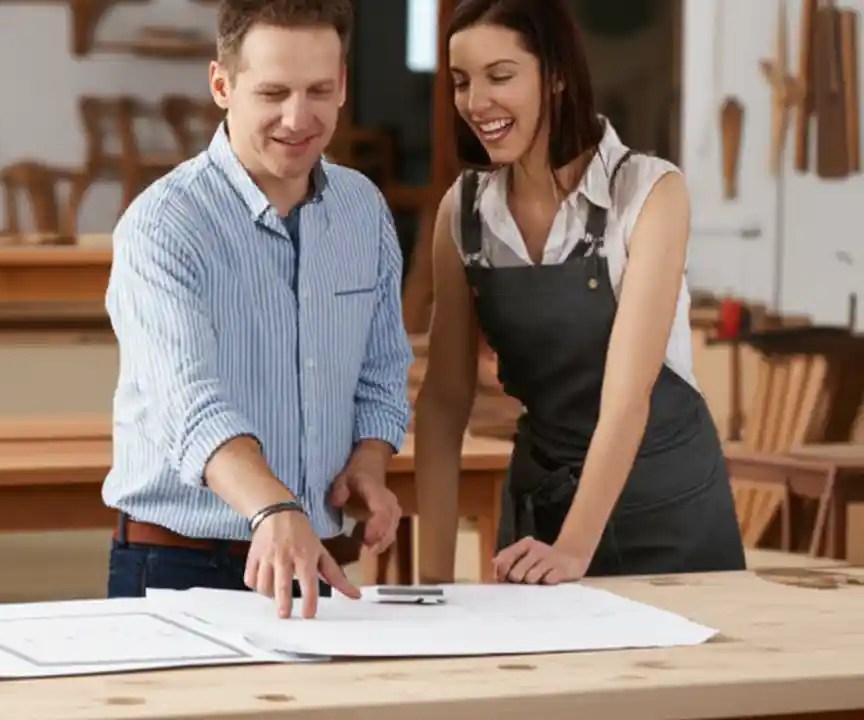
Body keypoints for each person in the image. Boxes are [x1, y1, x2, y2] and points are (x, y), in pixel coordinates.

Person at [413, 0, 746, 585]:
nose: (476, 102)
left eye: (501, 76)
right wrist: (433, 583)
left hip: (663, 513)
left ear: (557, 74)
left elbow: (626, 399)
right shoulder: (463, 215)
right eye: (463, 82)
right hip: (541, 511)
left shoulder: (649, 193)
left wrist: (571, 551)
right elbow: (443, 403)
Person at [102, 0, 414, 618]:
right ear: (222, 84)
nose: (298, 119)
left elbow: (381, 372)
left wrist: (368, 462)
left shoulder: (363, 211)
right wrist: (274, 505)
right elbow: (189, 404)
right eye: (273, 93)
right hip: (175, 562)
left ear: (343, 85)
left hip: (310, 555)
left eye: (319, 91)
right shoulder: (163, 225)